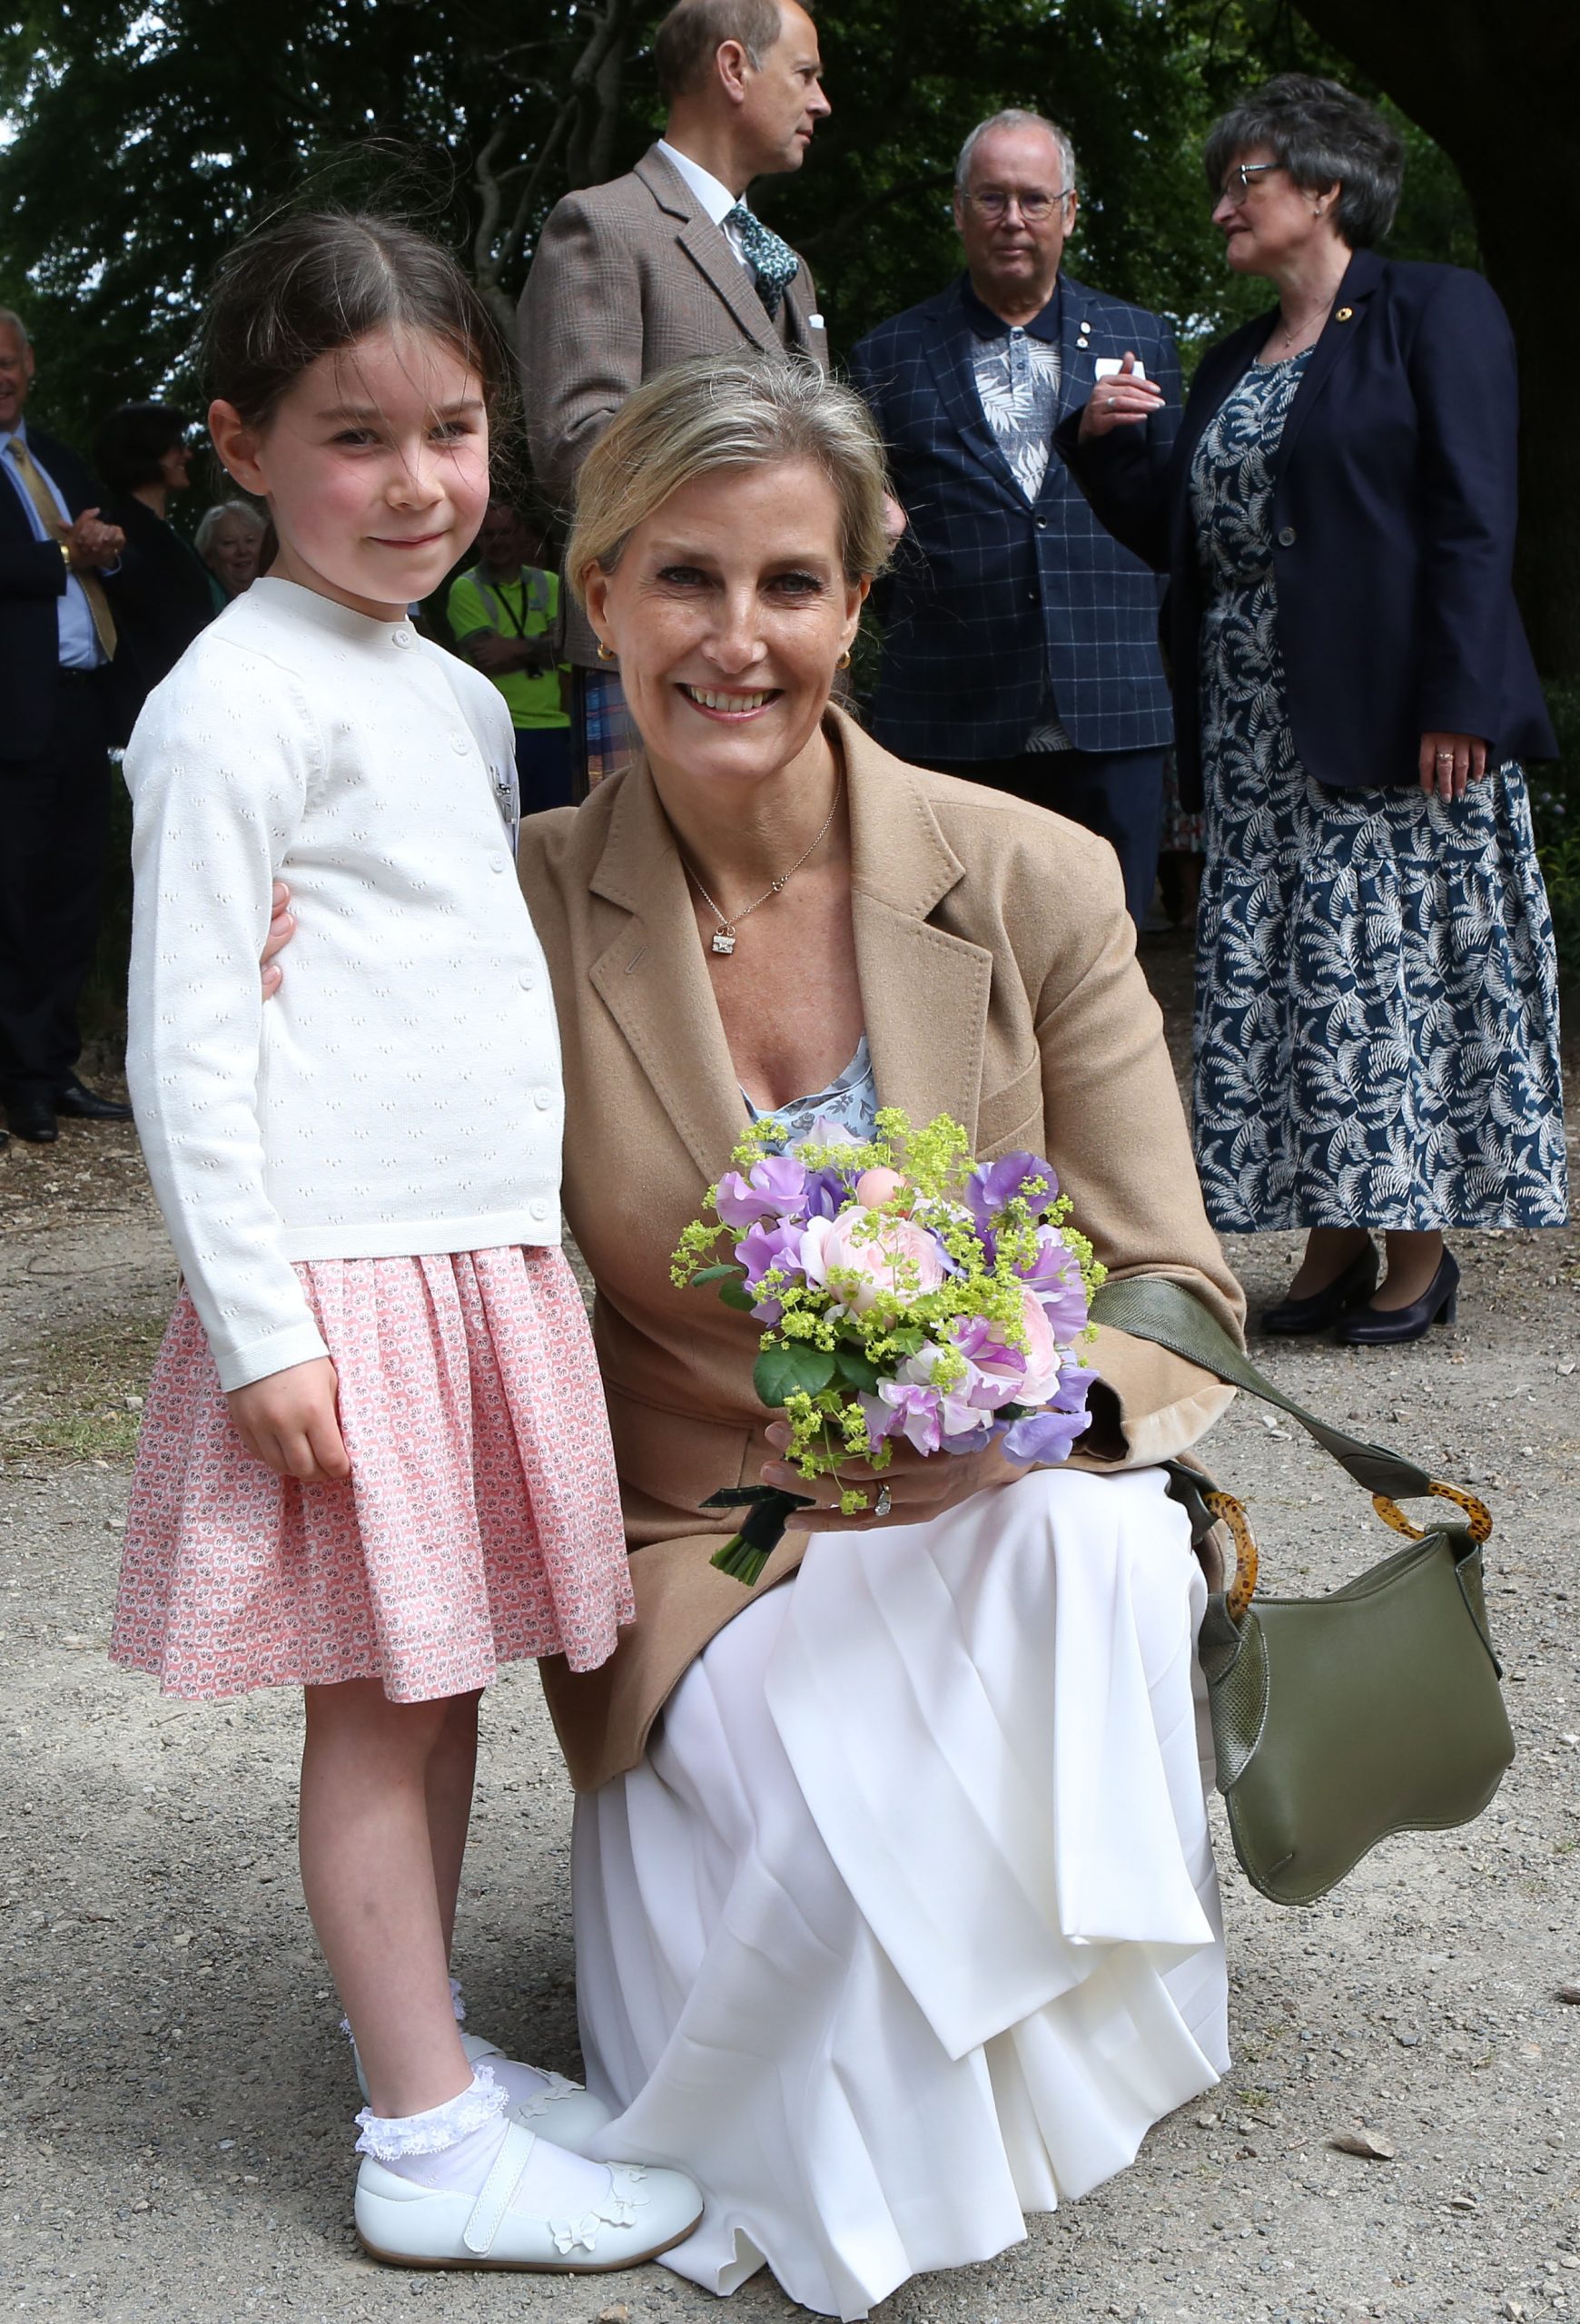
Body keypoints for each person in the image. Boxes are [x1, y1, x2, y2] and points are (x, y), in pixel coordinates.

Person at [515, 353, 1245, 2319]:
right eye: (683, 579)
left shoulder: (1032, 877)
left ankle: (990, 2040)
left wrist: (1033, 1409)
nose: (735, 640)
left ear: (854, 600)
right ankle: (947, 2091)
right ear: (598, 595)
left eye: (787, 585)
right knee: (835, 1897)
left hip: (990, 1516)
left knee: (1104, 1538)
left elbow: (1173, 1279)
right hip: (714, 1544)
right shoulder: (508, 914)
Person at [112, 210, 700, 2277]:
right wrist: (263, 1323)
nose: (418, 480)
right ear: (241, 444)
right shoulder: (230, 702)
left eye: (450, 427)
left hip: (469, 1261)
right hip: (349, 1290)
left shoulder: (452, 690)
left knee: (440, 1691)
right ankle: (429, 2141)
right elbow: (183, 1041)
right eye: (353, 437)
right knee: (376, 1705)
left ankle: (417, 2049)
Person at [1057, 73, 1567, 1343]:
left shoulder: (1431, 312)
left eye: (1247, 181)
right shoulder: (1230, 357)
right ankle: (1334, 1246)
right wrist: (1108, 449)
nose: (1223, 206)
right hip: (1252, 732)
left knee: (1384, 976)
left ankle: (1416, 1257)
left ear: (1325, 191)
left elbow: (1472, 512)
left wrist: (1456, 695)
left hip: (1395, 721)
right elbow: (1195, 537)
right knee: (1294, 981)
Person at [849, 110, 1181, 934]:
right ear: (958, 211)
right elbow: (868, 534)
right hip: (950, 711)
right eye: (991, 198)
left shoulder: (1145, 338)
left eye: (1034, 200)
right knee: (958, 961)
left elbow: (1177, 519)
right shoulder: (886, 355)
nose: (1013, 219)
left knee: (1108, 954)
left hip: (1113, 707)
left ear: (1069, 212)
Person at [518, 0, 831, 789]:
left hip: (788, 662)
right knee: (651, 908)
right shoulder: (603, 225)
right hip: (657, 659)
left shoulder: (788, 266)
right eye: (805, 74)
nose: (820, 102)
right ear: (734, 68)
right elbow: (577, 443)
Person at [0, 303, 139, 1149]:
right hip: (13, 715)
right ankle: (22, 1083)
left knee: (71, 894)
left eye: (9, 361)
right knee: (14, 899)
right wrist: (64, 556)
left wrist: (107, 544)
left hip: (80, 708)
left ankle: (55, 1066)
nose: (2, 376)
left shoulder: (49, 454)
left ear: (31, 363)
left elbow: (97, 540)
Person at [92, 399, 215, 730]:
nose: (187, 455)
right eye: (176, 447)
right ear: (147, 454)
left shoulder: (164, 531)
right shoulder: (119, 533)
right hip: (167, 712)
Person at [447, 497, 574, 815]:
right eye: (489, 535)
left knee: (557, 827)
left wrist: (513, 648)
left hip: (556, 728)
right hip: (497, 728)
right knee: (507, 826)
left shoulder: (550, 584)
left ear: (520, 535)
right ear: (477, 539)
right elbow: (486, 656)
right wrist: (543, 648)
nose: (498, 542)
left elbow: (564, 649)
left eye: (504, 533)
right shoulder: (465, 589)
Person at [194, 496, 266, 604]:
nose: (242, 551)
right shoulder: (202, 608)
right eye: (229, 543)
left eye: (250, 540)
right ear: (209, 556)